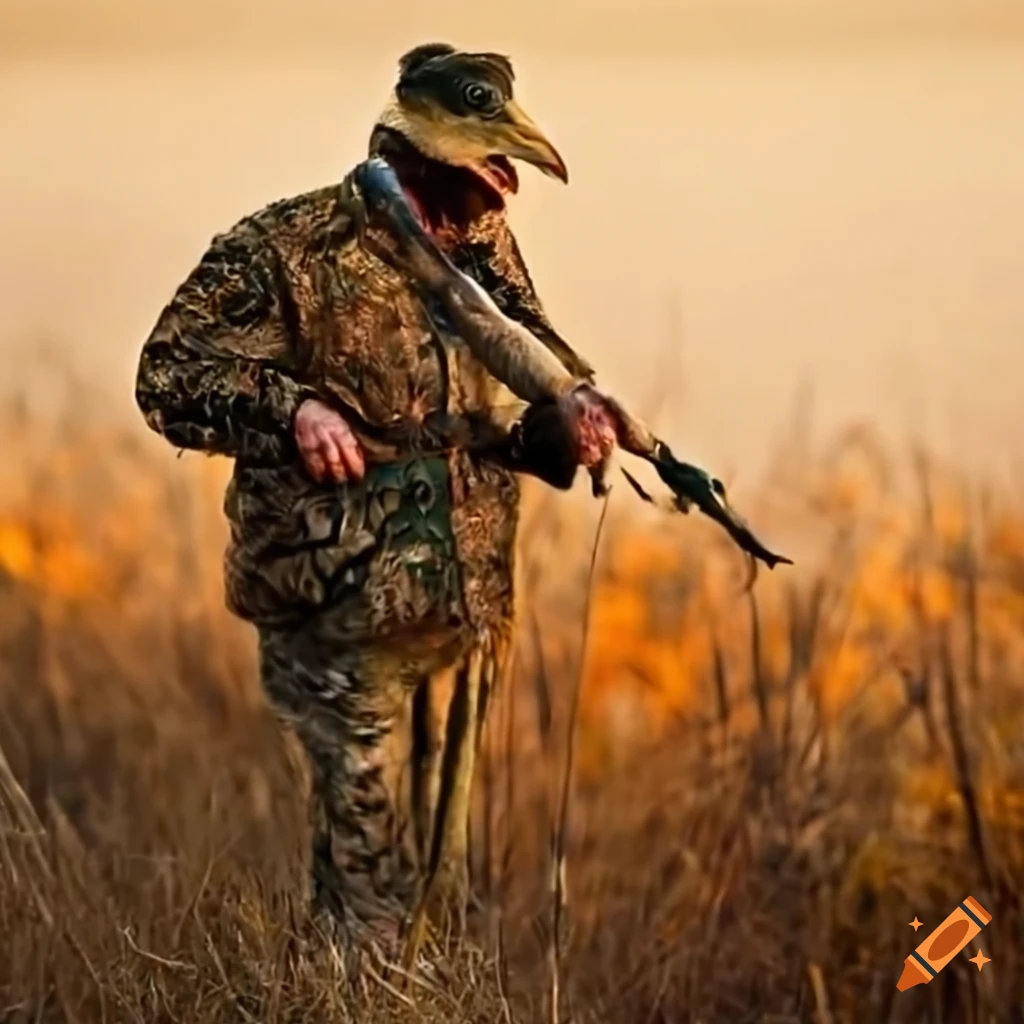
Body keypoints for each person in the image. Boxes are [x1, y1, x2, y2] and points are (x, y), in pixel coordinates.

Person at [134, 42, 618, 945]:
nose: (507, 175)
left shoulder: (482, 244)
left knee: (440, 877)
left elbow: (529, 361)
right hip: (333, 604)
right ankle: (331, 990)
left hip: (463, 602)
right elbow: (165, 373)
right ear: (417, 142)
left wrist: (578, 411)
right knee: (362, 876)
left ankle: (405, 990)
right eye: (484, 143)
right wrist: (293, 408)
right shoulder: (286, 248)